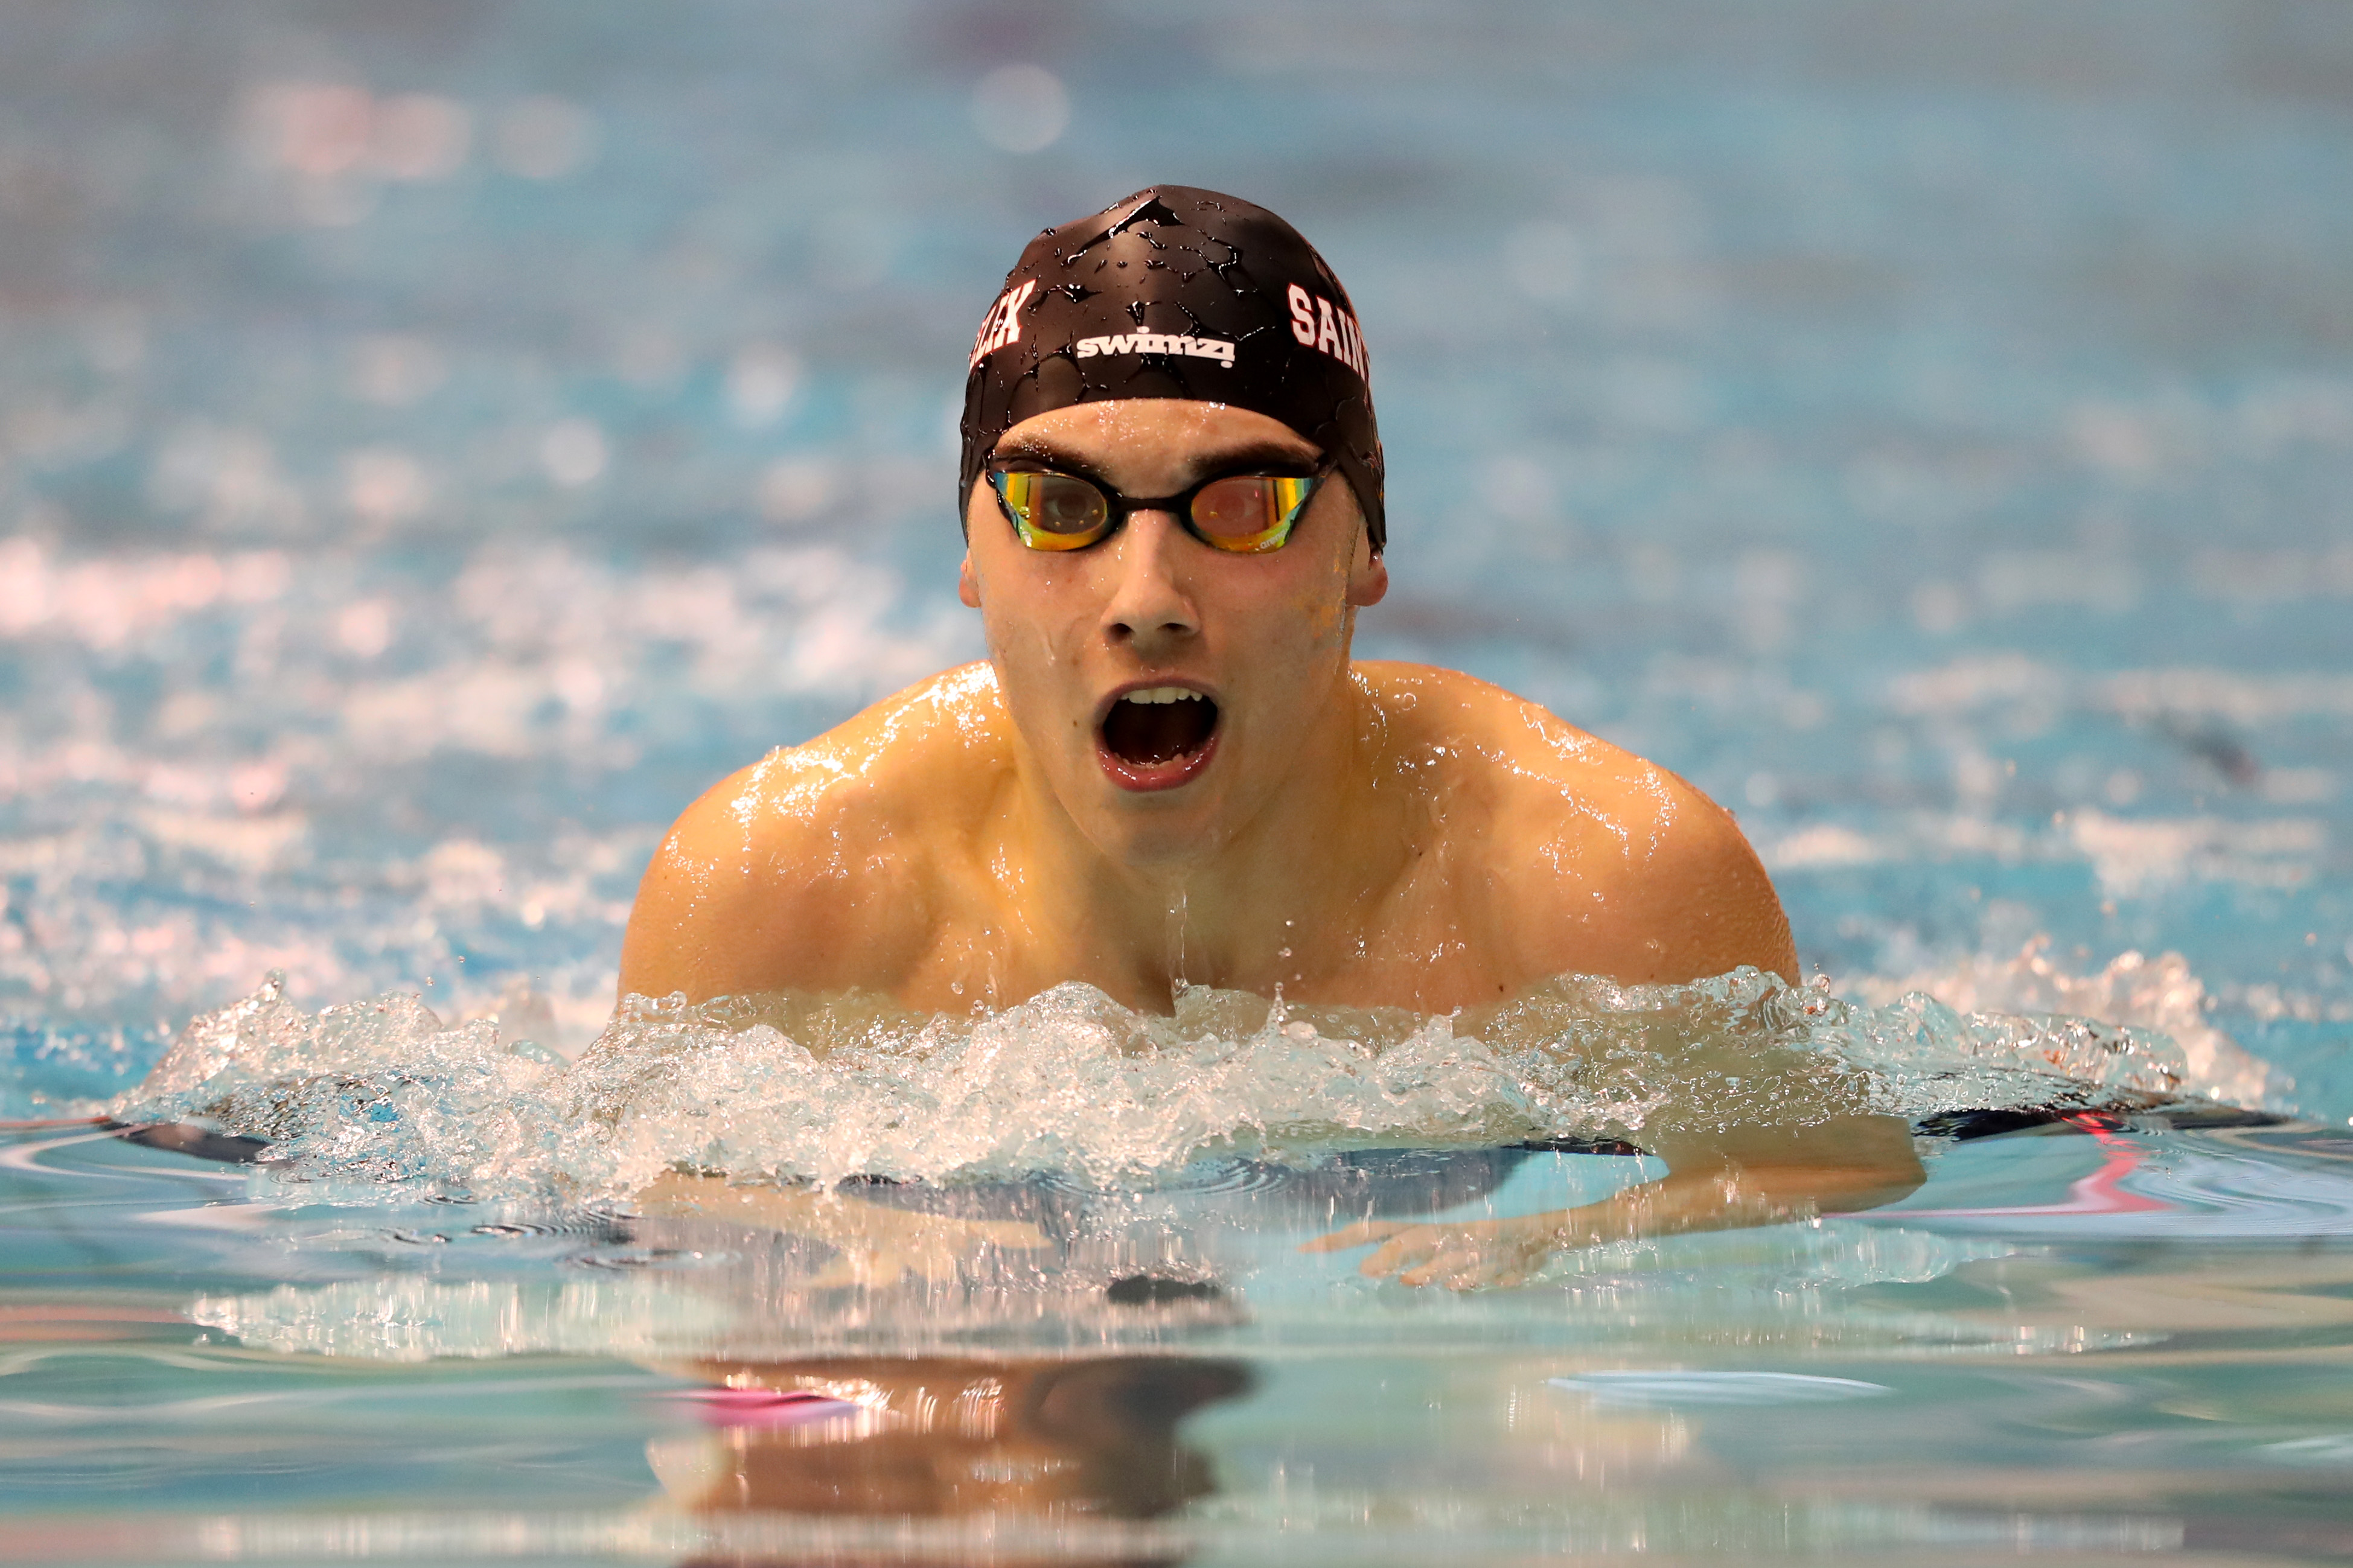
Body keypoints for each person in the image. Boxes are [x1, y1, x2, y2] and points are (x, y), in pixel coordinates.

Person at [619, 186, 1922, 1289]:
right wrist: (831, 1238)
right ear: (971, 554)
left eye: (1240, 507)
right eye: (1059, 506)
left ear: (1360, 548)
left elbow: (1831, 1173)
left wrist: (1563, 1250)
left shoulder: (1597, 878)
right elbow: (629, 1200)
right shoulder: (781, 884)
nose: (1143, 603)